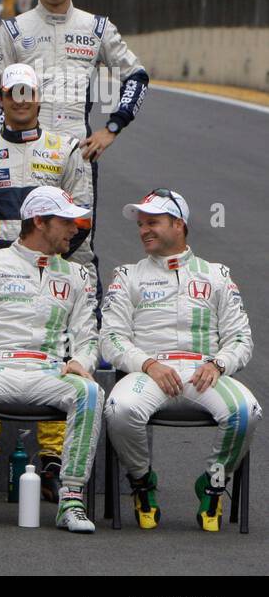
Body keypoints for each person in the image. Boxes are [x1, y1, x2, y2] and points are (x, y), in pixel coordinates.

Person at [0, 63, 94, 498]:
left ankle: (53, 461)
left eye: (28, 92)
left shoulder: (66, 148)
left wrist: (49, 258)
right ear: (0, 96)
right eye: (13, 92)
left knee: (55, 344)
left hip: (54, 265)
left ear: (38, 97)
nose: (21, 100)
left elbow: (82, 218)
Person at [0, 0, 149, 288]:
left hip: (77, 152)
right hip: (22, 150)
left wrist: (112, 128)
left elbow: (137, 76)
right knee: (19, 239)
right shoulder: (14, 29)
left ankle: (86, 331)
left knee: (78, 246)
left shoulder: (96, 27)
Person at [0, 187, 101, 531]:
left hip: (50, 370)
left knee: (90, 392)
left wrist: (82, 361)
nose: (75, 229)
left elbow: (88, 336)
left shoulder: (78, 275)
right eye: (67, 222)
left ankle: (71, 499)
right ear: (39, 221)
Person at [102, 189, 260, 532]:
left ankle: (214, 483)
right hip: (150, 370)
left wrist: (217, 364)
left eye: (153, 222)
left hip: (204, 372)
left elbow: (241, 339)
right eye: (141, 224)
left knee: (246, 411)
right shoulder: (126, 276)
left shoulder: (216, 274)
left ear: (179, 224)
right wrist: (148, 364)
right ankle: (142, 482)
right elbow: (111, 338)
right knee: (120, 409)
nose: (144, 229)